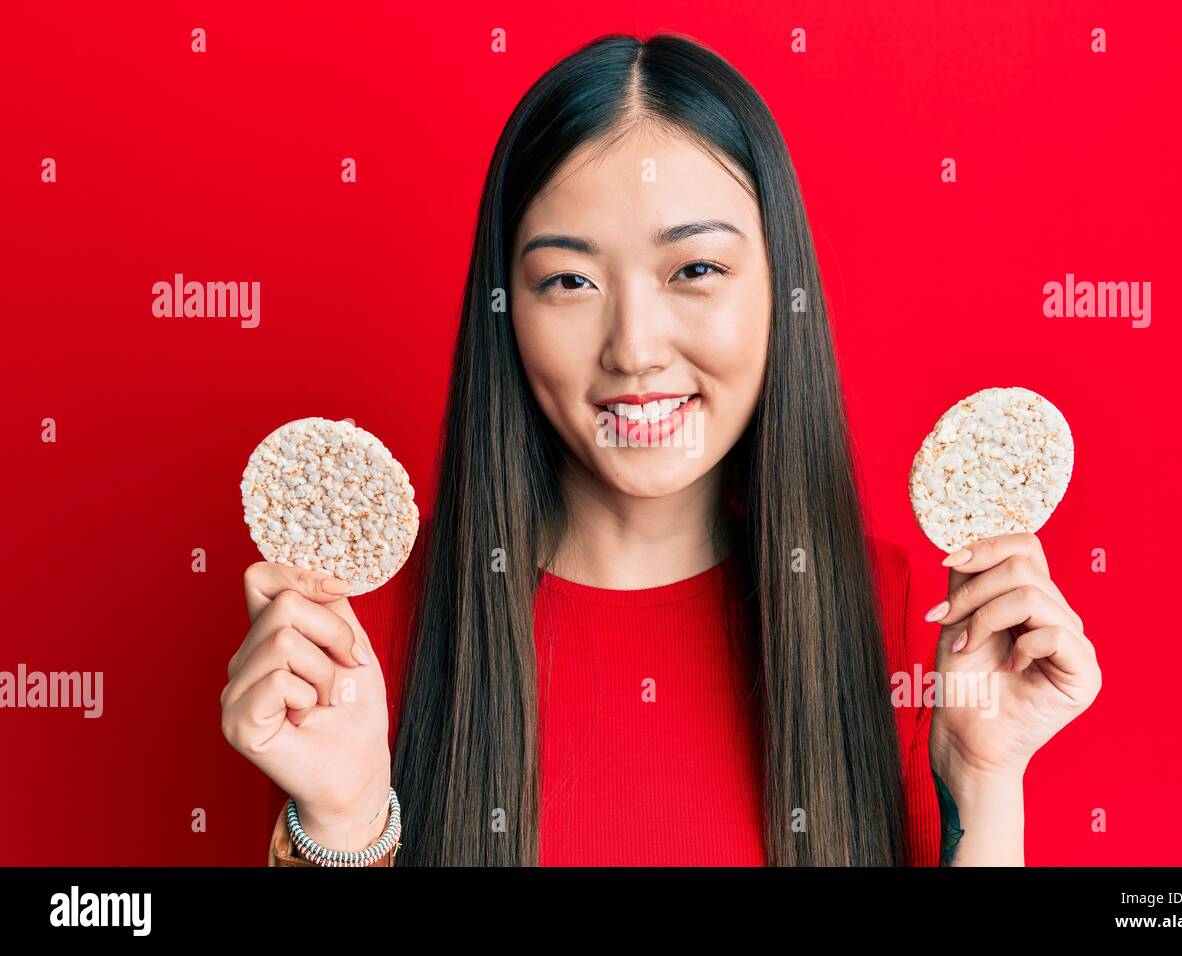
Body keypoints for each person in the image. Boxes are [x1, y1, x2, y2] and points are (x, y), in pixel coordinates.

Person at [220, 31, 1101, 867]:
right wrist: (343, 824)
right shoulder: (351, 643)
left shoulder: (908, 619)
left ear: (778, 289)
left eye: (695, 270)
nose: (634, 348)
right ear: (506, 314)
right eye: (569, 280)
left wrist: (987, 787)